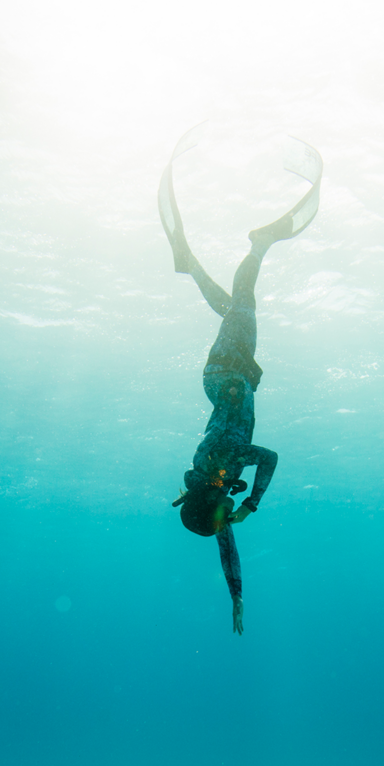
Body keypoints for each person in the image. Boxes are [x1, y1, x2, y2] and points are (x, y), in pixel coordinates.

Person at [160, 127, 321, 633]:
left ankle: (260, 244)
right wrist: (237, 596)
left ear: (214, 500)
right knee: (233, 309)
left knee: (244, 306)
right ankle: (189, 265)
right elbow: (225, 543)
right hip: (225, 378)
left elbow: (268, 458)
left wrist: (252, 501)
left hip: (228, 374)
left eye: (222, 514)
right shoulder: (211, 481)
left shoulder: (221, 464)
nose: (228, 520)